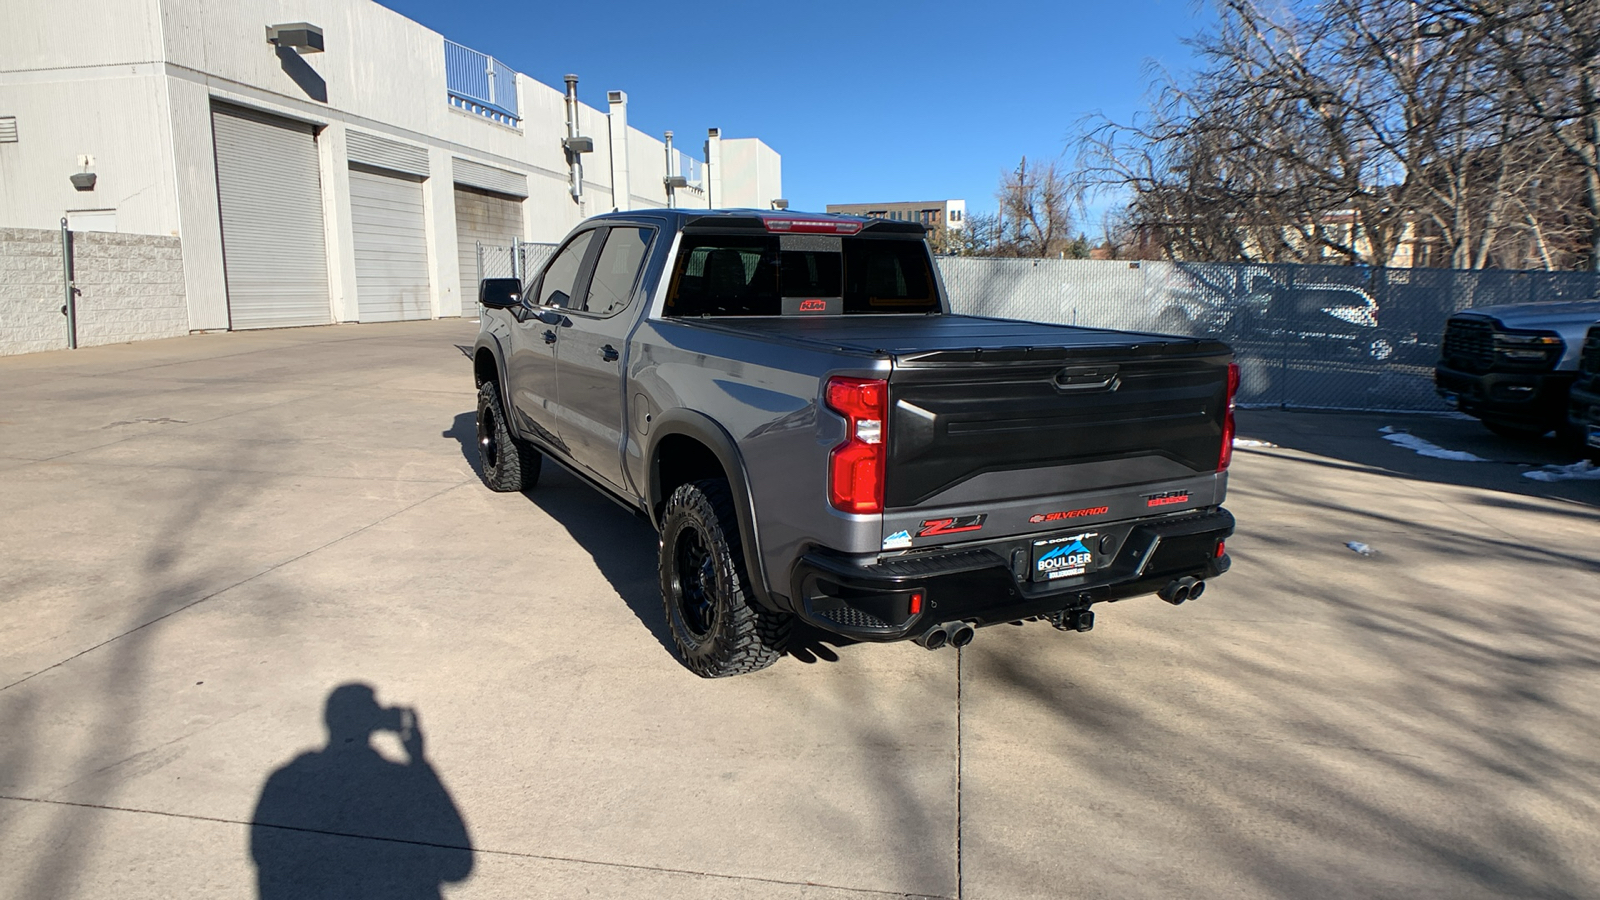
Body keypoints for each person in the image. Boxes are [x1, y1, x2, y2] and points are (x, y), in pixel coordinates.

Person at [250, 683, 473, 899]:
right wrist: (419, 764)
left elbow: (265, 855)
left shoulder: (287, 780)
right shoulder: (400, 783)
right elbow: (457, 865)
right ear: (374, 724)